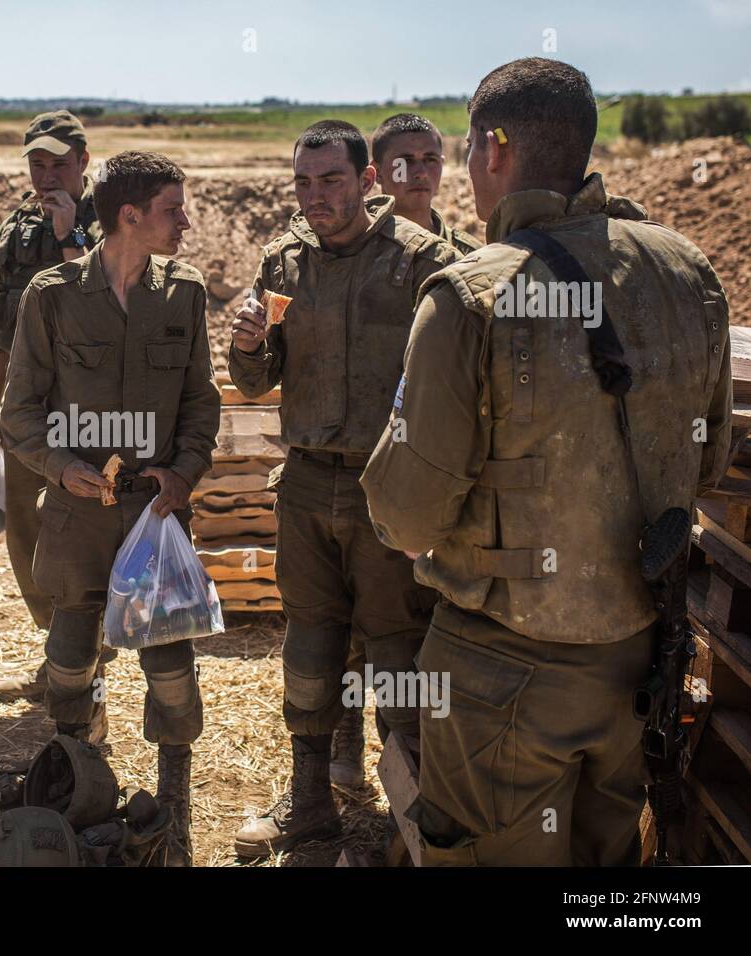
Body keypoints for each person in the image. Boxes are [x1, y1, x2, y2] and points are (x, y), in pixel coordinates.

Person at [361, 57, 732, 865]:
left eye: (464, 148)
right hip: (637, 658)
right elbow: (707, 464)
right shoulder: (685, 270)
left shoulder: (468, 295)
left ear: (496, 149)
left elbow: (405, 514)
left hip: (500, 676)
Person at [227, 120, 460, 858]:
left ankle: (408, 817)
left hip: (387, 490)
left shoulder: (422, 261)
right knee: (309, 644)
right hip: (304, 483)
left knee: (396, 651)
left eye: (331, 180)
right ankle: (311, 801)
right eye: (303, 181)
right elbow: (257, 382)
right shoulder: (283, 263)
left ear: (368, 181)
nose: (315, 195)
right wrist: (245, 345)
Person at [0, 150, 220, 865]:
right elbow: (20, 410)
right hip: (77, 515)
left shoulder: (183, 292)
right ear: (130, 216)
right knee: (70, 661)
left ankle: (175, 804)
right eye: (172, 208)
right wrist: (61, 470)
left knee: (170, 666)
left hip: (155, 517)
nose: (185, 221)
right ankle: (80, 785)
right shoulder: (51, 294)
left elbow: (200, 401)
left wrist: (183, 472)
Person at [0, 110, 103, 702]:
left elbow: (104, 308)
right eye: (37, 163)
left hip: (88, 406)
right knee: (24, 528)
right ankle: (59, 652)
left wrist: (71, 236)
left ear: (83, 161)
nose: (47, 174)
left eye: (59, 163)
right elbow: (3, 320)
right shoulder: (18, 224)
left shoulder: (110, 220)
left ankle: (81, 666)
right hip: (28, 405)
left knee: (77, 534)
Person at [372, 112, 483, 253]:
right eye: (406, 161)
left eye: (430, 160)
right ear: (377, 172)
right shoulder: (351, 251)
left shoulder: (469, 255)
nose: (421, 173)